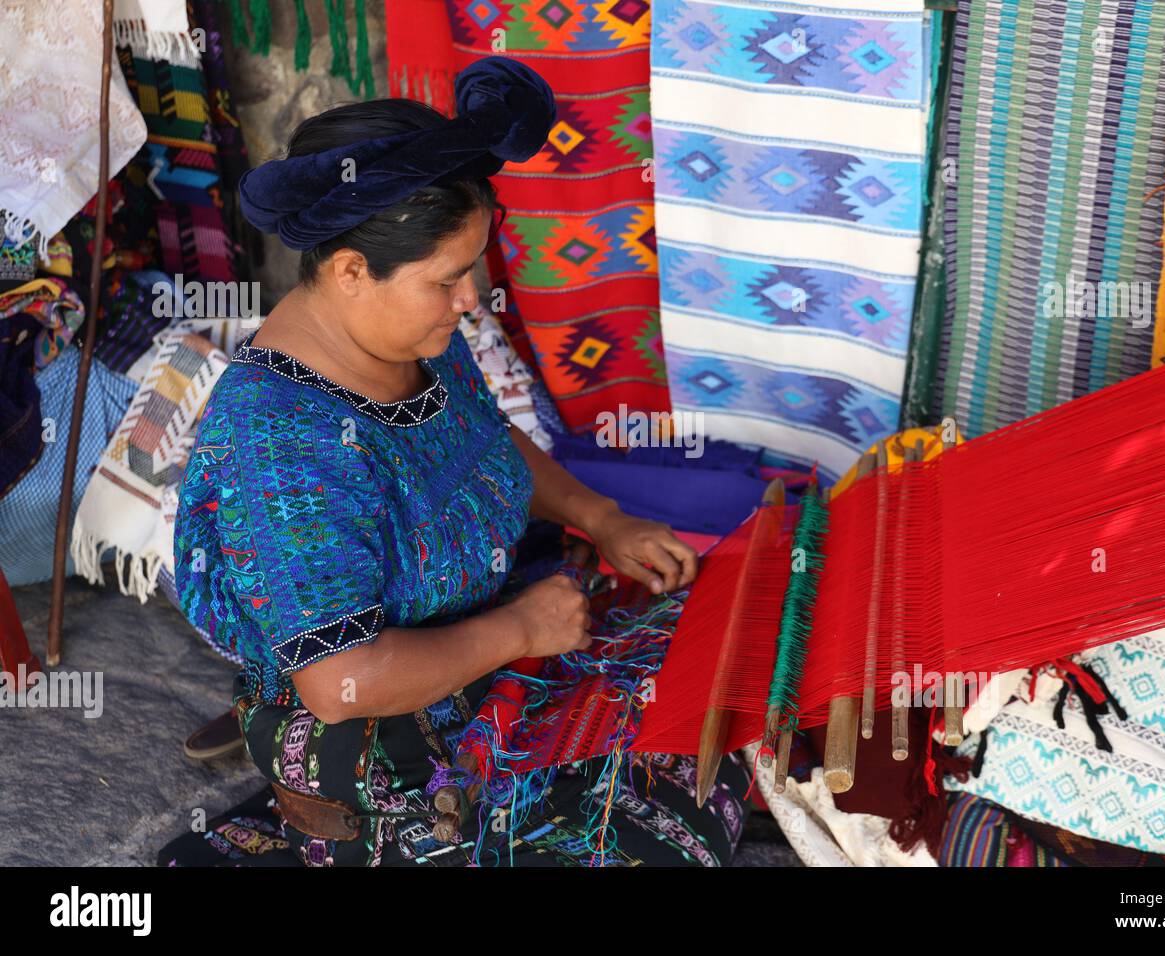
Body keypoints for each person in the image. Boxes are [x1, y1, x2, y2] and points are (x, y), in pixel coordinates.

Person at [160, 58, 749, 867]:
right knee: (659, 831)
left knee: (718, 674)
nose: (472, 299)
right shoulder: (284, 443)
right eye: (447, 280)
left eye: (470, 269)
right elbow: (340, 683)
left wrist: (599, 519)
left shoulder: (408, 338)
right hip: (367, 718)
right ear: (350, 270)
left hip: (470, 636)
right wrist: (519, 630)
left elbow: (475, 438)